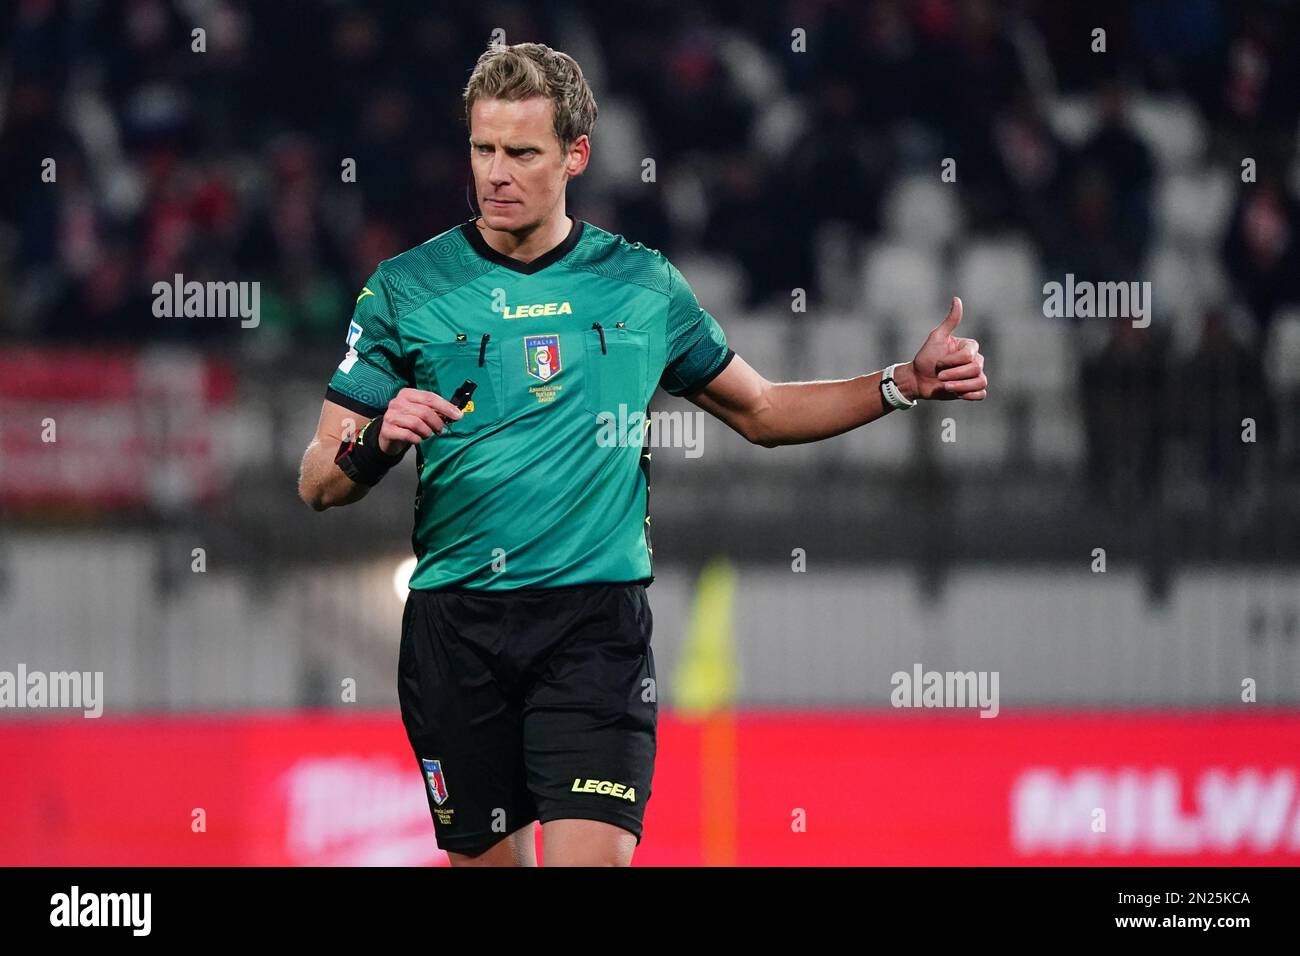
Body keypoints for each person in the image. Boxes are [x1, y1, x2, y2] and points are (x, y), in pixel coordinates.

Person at [297, 41, 987, 867]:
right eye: (484, 149)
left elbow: (762, 411)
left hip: (594, 629)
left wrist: (901, 382)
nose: (497, 173)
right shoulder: (406, 289)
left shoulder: (642, 285)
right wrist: (377, 437)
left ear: (575, 155)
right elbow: (318, 482)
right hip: (457, 631)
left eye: (522, 152)